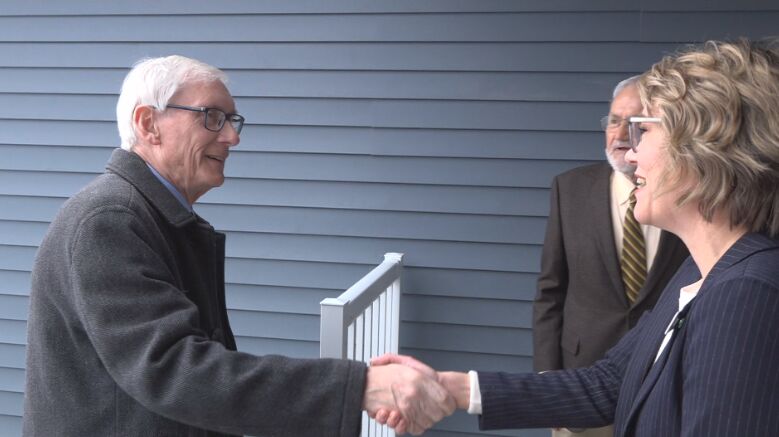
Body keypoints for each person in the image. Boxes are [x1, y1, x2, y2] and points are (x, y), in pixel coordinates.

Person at [23, 55, 454, 437]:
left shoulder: (152, 216)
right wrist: (357, 387)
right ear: (148, 123)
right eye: (211, 117)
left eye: (233, 120)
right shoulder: (111, 221)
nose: (232, 137)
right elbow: (174, 371)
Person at [375, 38, 779, 436]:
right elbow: (607, 384)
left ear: (705, 148)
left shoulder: (747, 294)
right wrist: (451, 389)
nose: (630, 151)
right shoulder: (701, 269)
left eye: (644, 129)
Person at [533, 76, 689, 437]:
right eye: (613, 120)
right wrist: (547, 382)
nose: (619, 134)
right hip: (580, 383)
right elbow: (550, 292)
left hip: (661, 382)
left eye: (635, 124)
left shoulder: (684, 194)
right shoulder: (569, 189)